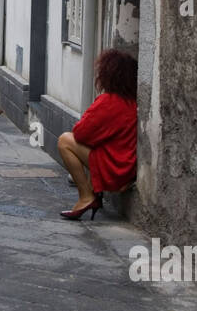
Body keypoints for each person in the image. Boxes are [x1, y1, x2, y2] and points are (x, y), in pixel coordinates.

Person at [57, 49, 137, 220]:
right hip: (127, 167)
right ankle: (92, 193)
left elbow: (80, 133)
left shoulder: (109, 101)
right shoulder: (132, 102)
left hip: (116, 169)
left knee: (65, 140)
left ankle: (86, 197)